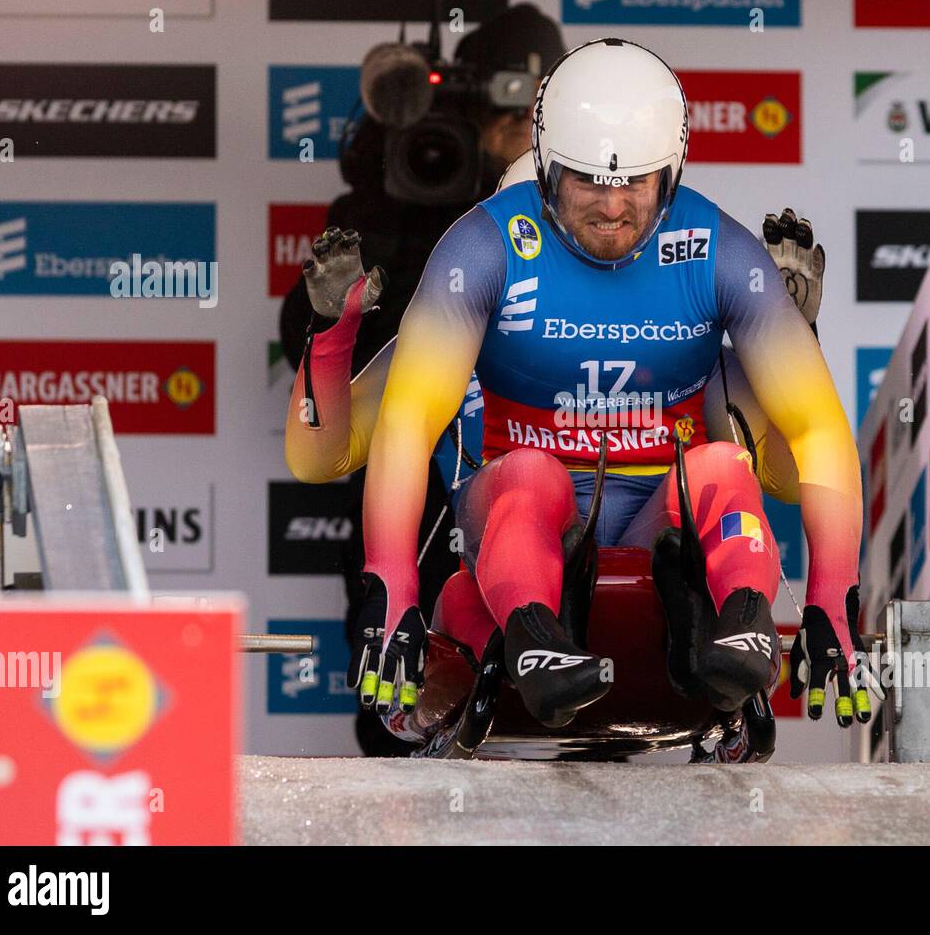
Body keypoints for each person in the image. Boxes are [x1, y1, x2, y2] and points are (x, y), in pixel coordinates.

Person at [286, 39, 873, 732]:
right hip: (515, 536)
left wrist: (833, 601)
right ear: (541, 182)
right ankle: (536, 636)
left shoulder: (713, 250)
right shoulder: (477, 260)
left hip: (654, 523)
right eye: (585, 185)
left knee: (720, 463)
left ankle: (729, 626)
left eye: (633, 185)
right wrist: (393, 585)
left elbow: (795, 449)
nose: (612, 209)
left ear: (669, 176)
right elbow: (338, 448)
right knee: (527, 478)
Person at [278, 4, 564, 754]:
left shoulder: (574, 217)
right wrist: (406, 229)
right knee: (402, 699)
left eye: (526, 133)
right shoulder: (388, 199)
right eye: (495, 126)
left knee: (546, 691)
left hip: (534, 478)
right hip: (406, 498)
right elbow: (303, 344)